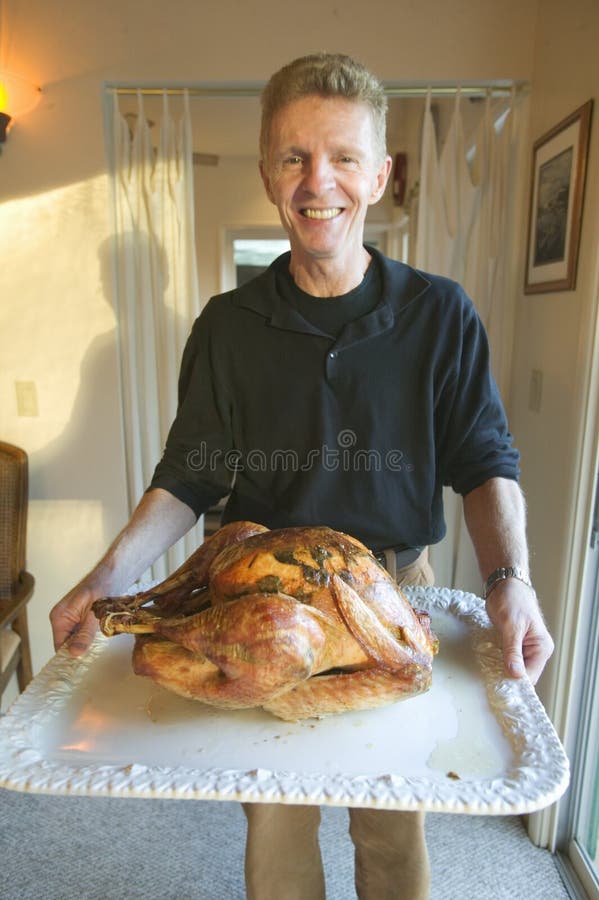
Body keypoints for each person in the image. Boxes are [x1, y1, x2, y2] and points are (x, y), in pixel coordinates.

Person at [50, 52, 554, 900]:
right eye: (293, 157)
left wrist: (511, 581)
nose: (318, 181)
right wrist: (106, 577)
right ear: (267, 175)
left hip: (388, 595)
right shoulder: (227, 326)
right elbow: (189, 476)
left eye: (343, 157)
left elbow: (484, 462)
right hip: (257, 607)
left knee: (390, 816)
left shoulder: (440, 315)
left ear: (379, 176)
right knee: (276, 819)